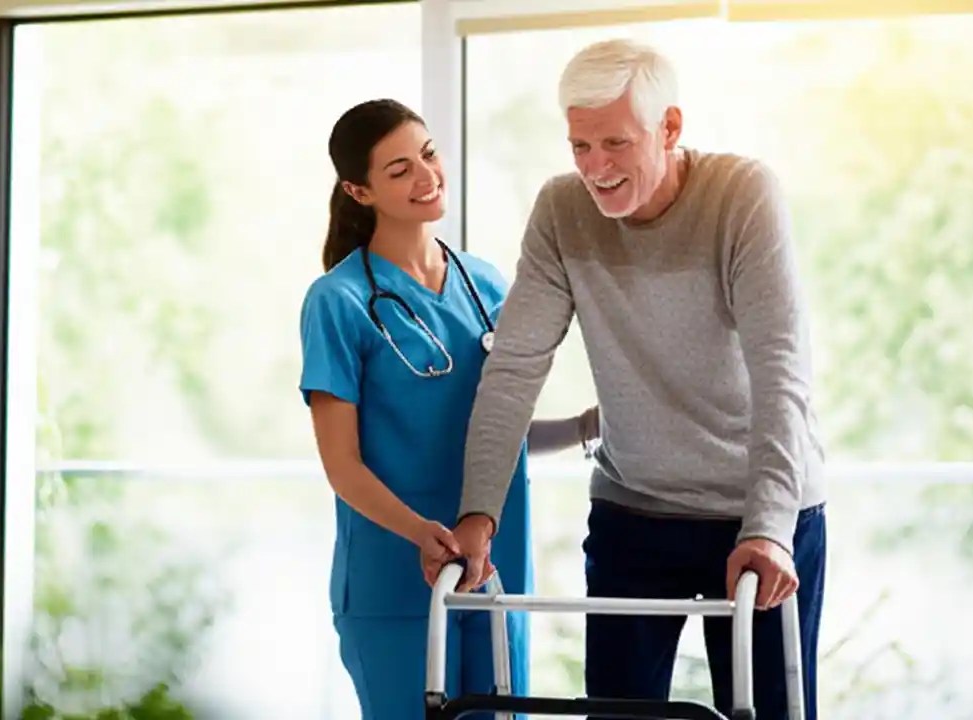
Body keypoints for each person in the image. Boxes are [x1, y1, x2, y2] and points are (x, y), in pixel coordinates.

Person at [438, 40, 828, 719]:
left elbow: (780, 368)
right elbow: (516, 367)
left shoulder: (740, 196)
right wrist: (477, 515)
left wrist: (768, 527)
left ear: (670, 128)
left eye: (615, 143)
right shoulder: (562, 210)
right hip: (634, 510)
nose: (596, 168)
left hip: (756, 509)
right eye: (580, 146)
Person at [298, 98, 599, 720]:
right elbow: (342, 466)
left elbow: (492, 433)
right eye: (400, 169)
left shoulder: (484, 284)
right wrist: (424, 535)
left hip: (494, 573)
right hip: (394, 583)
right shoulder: (339, 300)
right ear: (359, 190)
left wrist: (580, 428)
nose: (427, 176)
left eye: (429, 154)